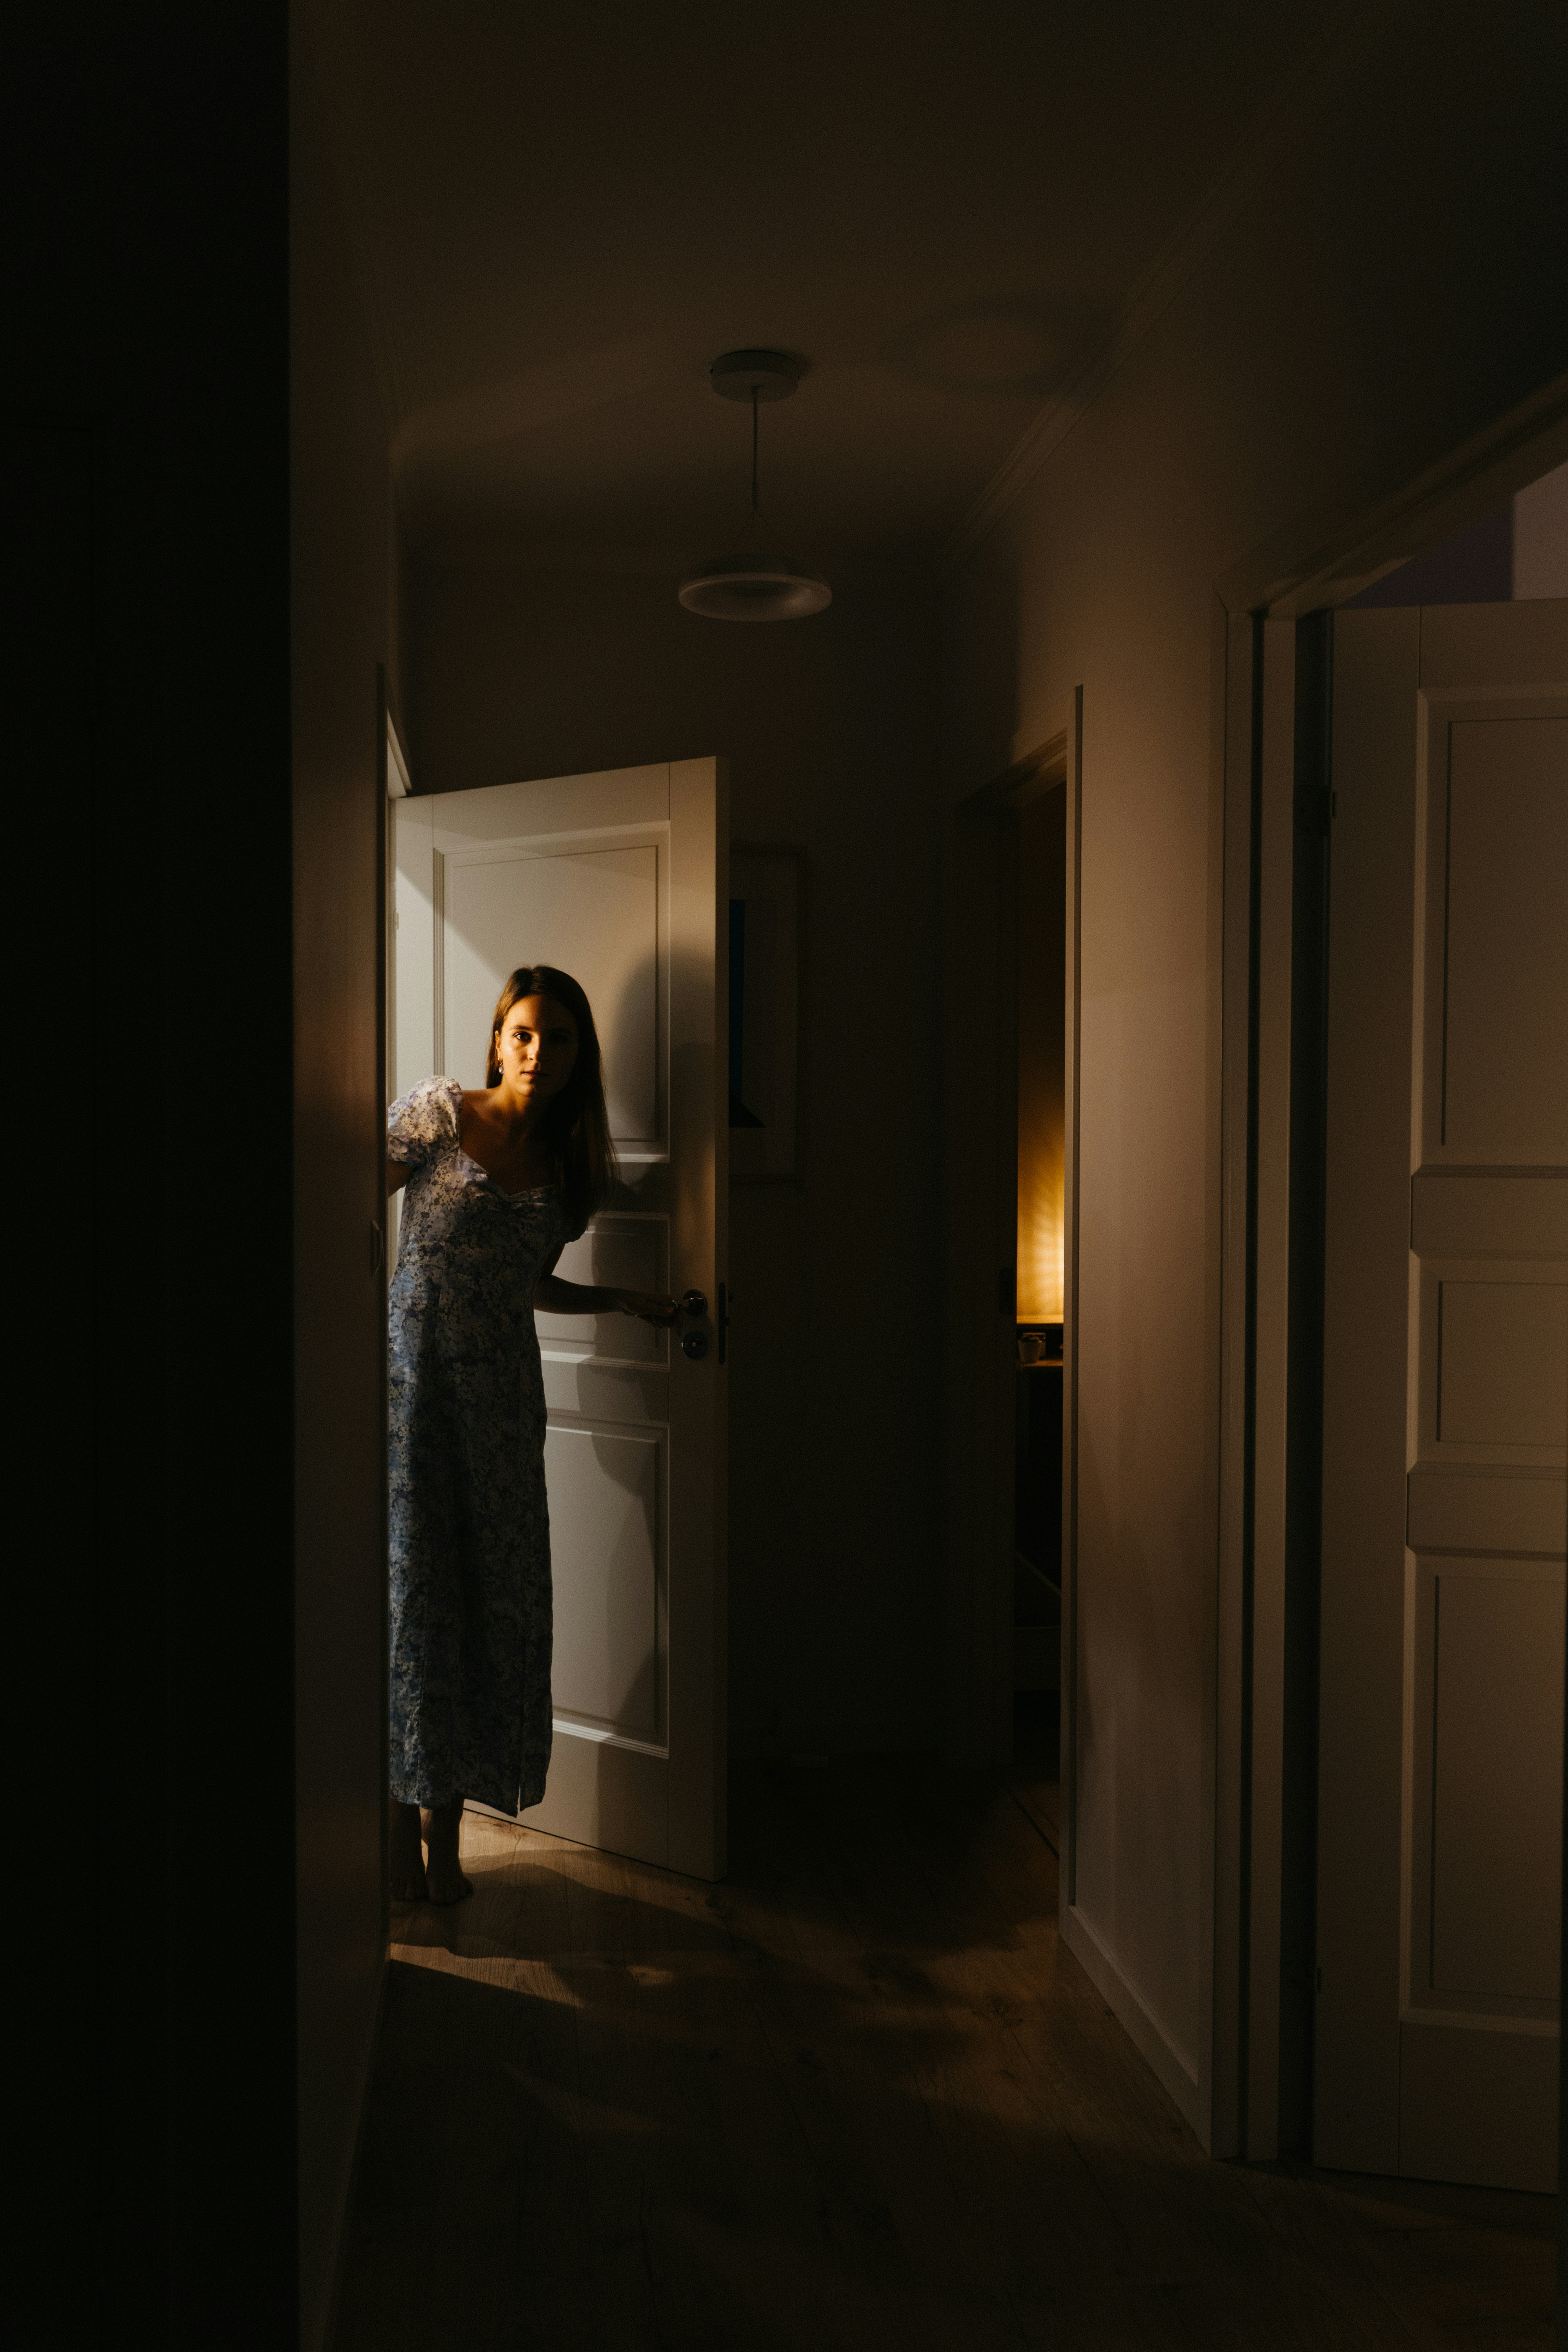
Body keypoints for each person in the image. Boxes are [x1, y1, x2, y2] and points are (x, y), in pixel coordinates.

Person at [384, 964, 676, 1903]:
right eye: (522, 1032)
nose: (537, 1051)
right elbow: (337, 1202)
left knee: (488, 1607)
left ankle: (448, 1841)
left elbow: (525, 1283)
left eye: (557, 1037)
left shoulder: (567, 1165)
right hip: (414, 1399)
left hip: (501, 1410)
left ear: (580, 1054)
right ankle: (397, 1838)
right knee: (411, 1610)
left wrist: (617, 1298)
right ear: (497, 1037)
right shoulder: (437, 1113)